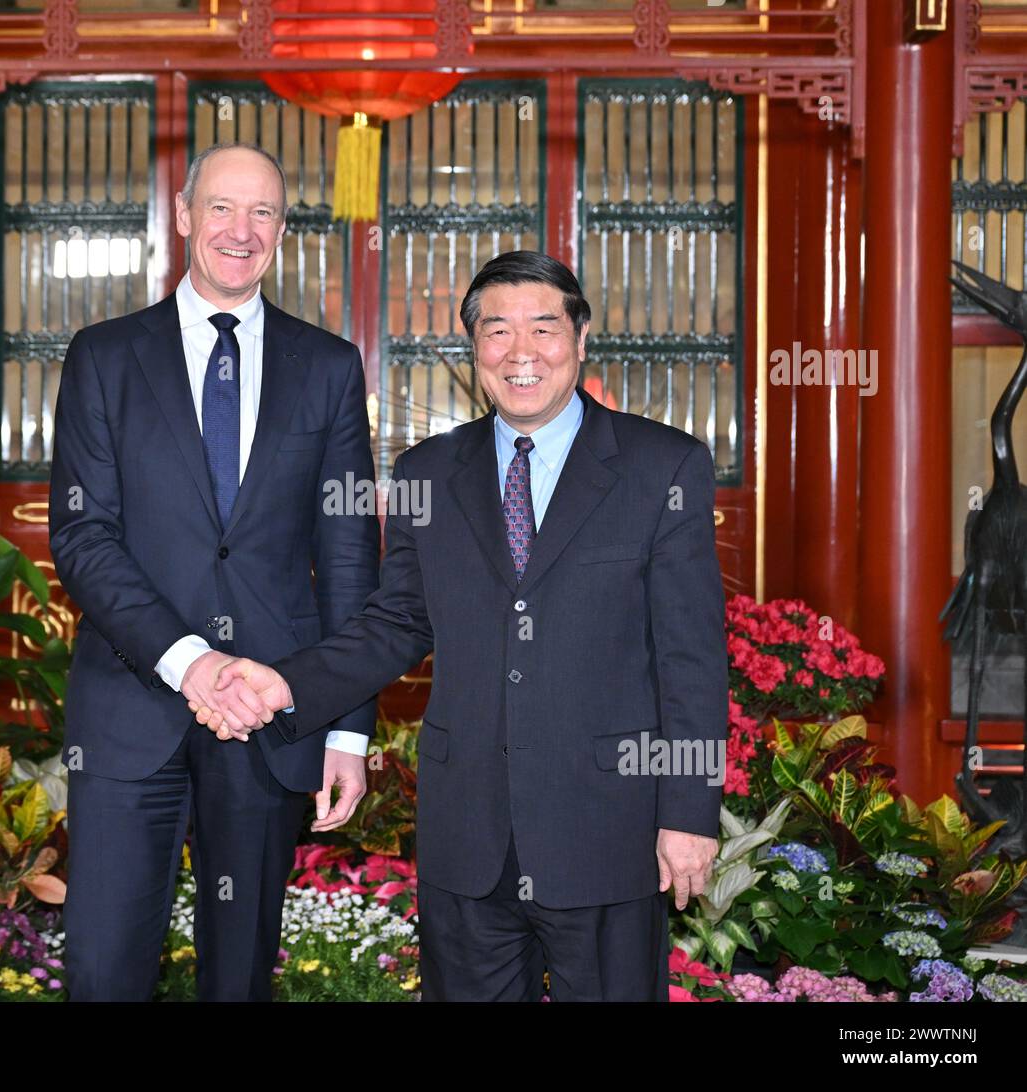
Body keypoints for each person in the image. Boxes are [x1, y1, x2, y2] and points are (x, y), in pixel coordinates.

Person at [193, 251, 728, 1001]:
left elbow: (692, 658)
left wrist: (689, 815)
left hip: (607, 828)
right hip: (467, 833)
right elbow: (396, 621)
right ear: (474, 351)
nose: (521, 353)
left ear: (579, 339)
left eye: (543, 329)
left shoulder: (661, 466)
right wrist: (284, 681)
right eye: (496, 331)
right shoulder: (427, 473)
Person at [48, 143, 379, 1001]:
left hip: (271, 710)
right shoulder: (105, 356)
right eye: (223, 209)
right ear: (186, 215)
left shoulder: (330, 367)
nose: (242, 230)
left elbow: (348, 553)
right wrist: (192, 660)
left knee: (240, 974)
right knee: (103, 965)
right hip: (131, 702)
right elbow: (85, 539)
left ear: (282, 231)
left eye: (263, 212)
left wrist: (346, 728)